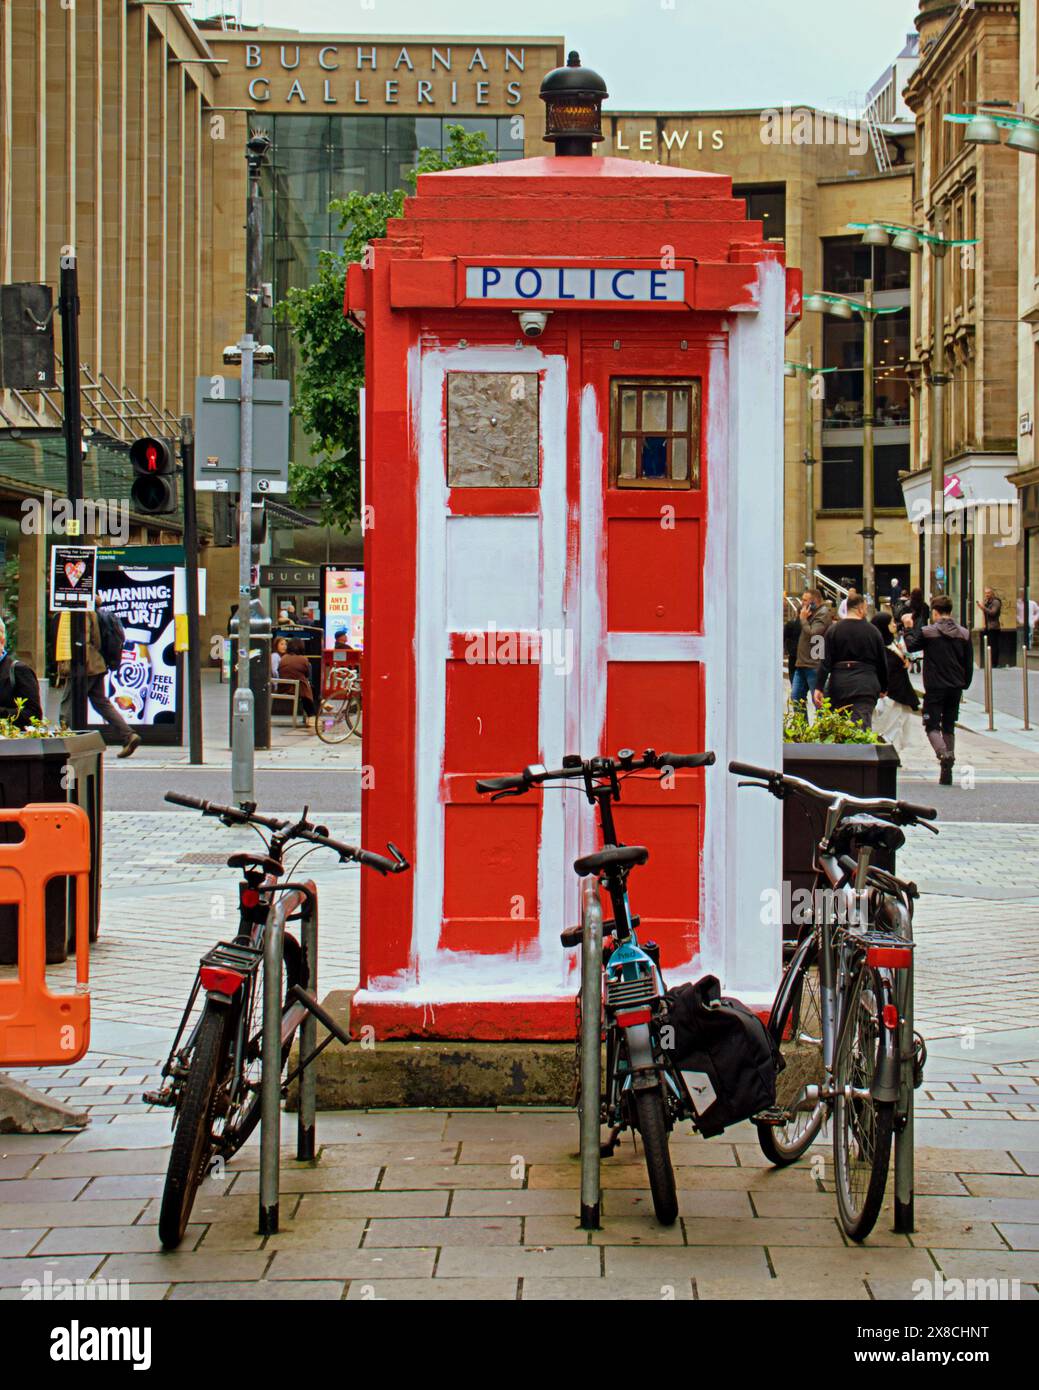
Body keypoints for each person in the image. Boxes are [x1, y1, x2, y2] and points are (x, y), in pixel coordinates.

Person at [902, 594, 974, 786]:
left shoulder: (928, 632)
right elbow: (968, 663)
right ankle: (946, 769)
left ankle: (944, 754)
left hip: (935, 686)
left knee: (931, 725)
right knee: (949, 725)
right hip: (955, 686)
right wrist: (964, 683)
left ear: (934, 612)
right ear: (950, 611)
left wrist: (908, 627)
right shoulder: (964, 633)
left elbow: (910, 646)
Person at [57, 609, 140, 757]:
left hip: (83, 665)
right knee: (101, 703)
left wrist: (76, 665)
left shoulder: (80, 610)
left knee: (68, 702)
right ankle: (128, 735)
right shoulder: (92, 609)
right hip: (96, 664)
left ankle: (62, 744)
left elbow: (85, 639)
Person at [815, 591, 888, 729]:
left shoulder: (833, 630)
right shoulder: (873, 631)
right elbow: (882, 662)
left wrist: (819, 687)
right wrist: (883, 686)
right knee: (861, 728)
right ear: (860, 608)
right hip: (865, 684)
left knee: (840, 728)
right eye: (865, 608)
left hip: (840, 683)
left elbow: (824, 662)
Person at [871, 611, 919, 751]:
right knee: (890, 724)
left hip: (899, 692)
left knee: (899, 722)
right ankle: (887, 749)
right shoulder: (880, 647)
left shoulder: (890, 642)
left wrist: (904, 660)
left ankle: (892, 751)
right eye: (891, 622)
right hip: (891, 694)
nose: (894, 624)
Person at [791, 589, 833, 708]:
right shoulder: (809, 612)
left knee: (819, 702)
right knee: (796, 698)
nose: (802, 603)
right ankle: (803, 726)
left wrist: (803, 619)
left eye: (805, 600)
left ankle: (822, 727)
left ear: (814, 602)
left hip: (814, 664)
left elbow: (814, 633)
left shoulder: (823, 614)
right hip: (802, 663)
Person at [0, 617, 43, 727]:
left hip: (10, 742)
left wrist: (3, 714)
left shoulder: (18, 670)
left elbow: (34, 715)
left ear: (2, 640)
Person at [277, 639, 315, 717]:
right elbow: (307, 674)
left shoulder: (283, 658)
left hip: (283, 687)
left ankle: (313, 712)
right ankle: (311, 714)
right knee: (308, 687)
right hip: (295, 688)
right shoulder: (303, 659)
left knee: (305, 687)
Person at [976, 587, 1001, 668]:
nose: (987, 595)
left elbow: (993, 613)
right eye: (986, 593)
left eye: (988, 593)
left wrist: (983, 607)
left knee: (994, 646)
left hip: (994, 627)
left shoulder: (996, 602)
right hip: (987, 627)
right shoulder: (987, 602)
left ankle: (995, 663)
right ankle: (990, 662)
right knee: (989, 645)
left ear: (992, 593)